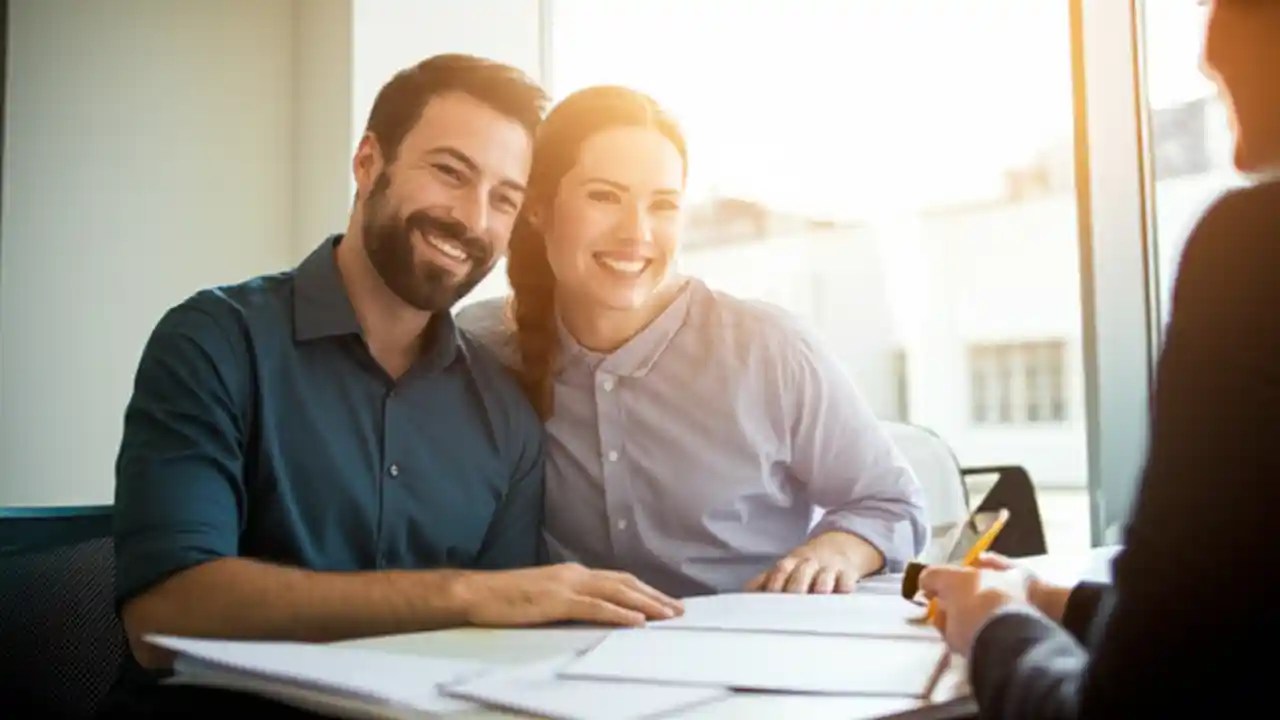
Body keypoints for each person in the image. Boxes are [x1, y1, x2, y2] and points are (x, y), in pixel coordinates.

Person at [107, 54, 683, 698]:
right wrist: (464, 594)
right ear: (367, 163)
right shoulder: (215, 342)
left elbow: (506, 650)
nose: (472, 218)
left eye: (503, 199)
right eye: (449, 172)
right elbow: (163, 615)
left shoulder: (505, 412)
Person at [918, 1, 1280, 717]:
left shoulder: (1253, 253)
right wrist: (1048, 599)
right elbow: (1239, 630)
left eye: (1243, 93)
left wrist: (996, 627)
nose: (1239, 160)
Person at [458, 85, 927, 599]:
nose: (636, 232)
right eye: (604, 196)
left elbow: (891, 503)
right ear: (537, 208)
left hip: (750, 647)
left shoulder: (768, 349)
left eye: (662, 205)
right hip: (568, 658)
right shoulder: (482, 345)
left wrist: (832, 552)